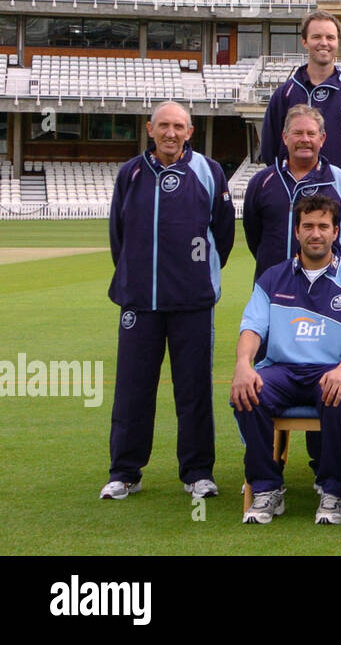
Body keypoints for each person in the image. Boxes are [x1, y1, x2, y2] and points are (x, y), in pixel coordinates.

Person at [101, 101, 235, 501]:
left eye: (178, 126)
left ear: (189, 131)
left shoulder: (208, 172)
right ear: (149, 129)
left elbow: (222, 236)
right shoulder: (131, 173)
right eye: (164, 126)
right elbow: (118, 235)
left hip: (192, 302)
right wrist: (137, 277)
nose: (171, 133)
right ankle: (125, 472)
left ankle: (197, 472)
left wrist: (196, 277)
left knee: (193, 389)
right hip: (139, 303)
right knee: (132, 389)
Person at [230, 196, 341, 525]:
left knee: (338, 393)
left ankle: (332, 490)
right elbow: (252, 327)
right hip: (282, 370)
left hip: (331, 368)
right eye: (308, 226)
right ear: (296, 231)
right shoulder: (272, 277)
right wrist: (243, 364)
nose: (315, 233)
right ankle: (267, 488)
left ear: (336, 231)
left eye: (323, 226)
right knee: (247, 393)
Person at [243, 104, 341, 281]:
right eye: (298, 133)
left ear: (322, 138)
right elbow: (254, 236)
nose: (305, 139)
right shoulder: (262, 182)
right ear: (285, 137)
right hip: (274, 288)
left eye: (311, 133)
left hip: (328, 291)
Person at [260, 10, 341, 184]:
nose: (324, 43)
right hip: (295, 194)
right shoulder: (284, 94)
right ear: (305, 41)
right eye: (316, 37)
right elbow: (270, 149)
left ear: (338, 42)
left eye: (330, 37)